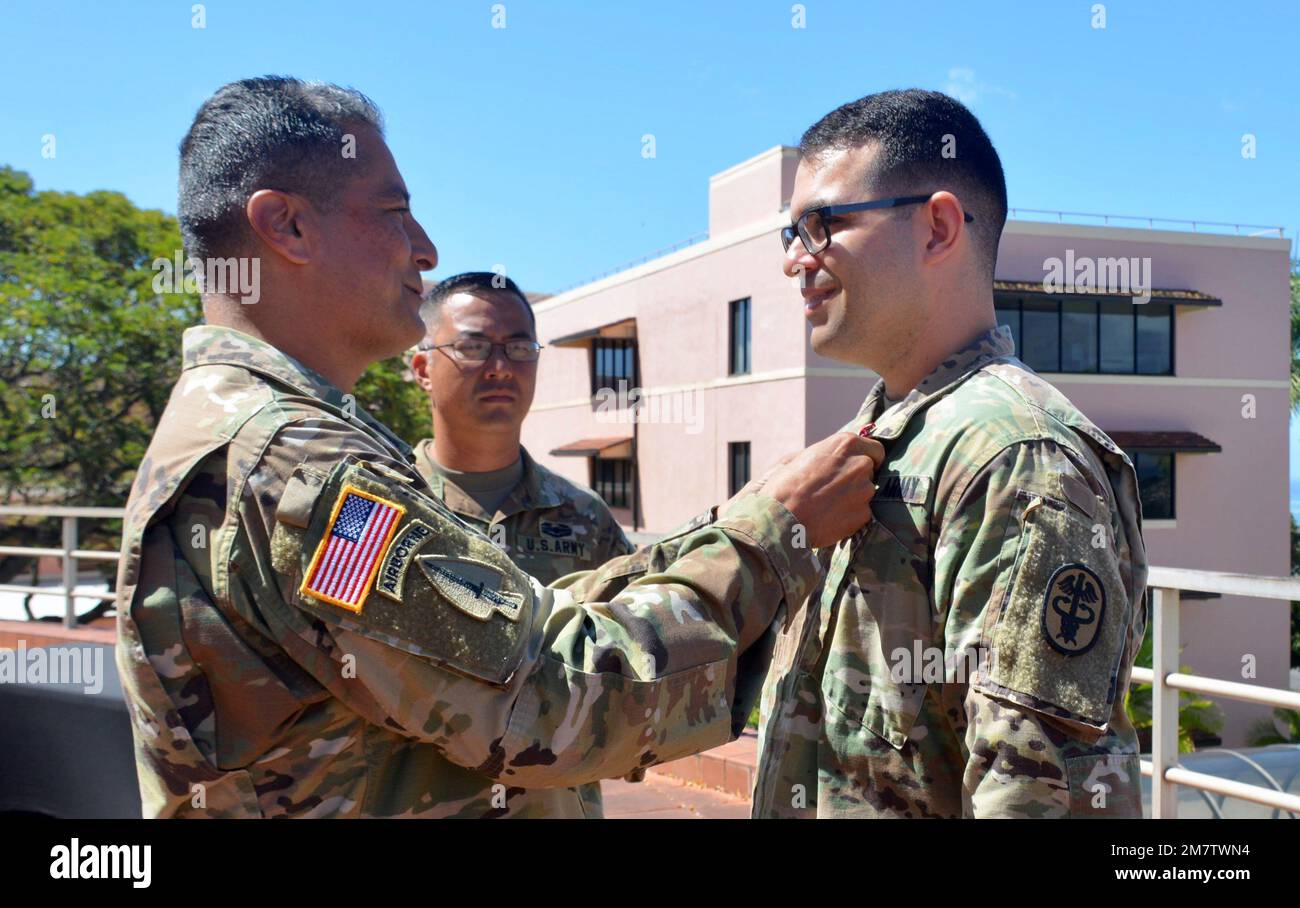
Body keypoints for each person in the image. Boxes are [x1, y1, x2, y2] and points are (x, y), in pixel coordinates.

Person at [113, 76, 884, 818]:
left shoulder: (255, 436)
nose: (424, 247)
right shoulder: (297, 468)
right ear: (286, 226)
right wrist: (771, 532)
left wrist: (730, 529)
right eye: (393, 212)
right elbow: (545, 700)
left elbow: (500, 627)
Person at [751, 89, 1148, 818]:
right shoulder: (881, 441)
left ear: (937, 228)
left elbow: (1035, 792)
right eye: (790, 233)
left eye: (821, 225)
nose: (795, 261)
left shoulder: (1017, 458)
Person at [407, 271, 636, 815]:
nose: (500, 367)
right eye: (473, 346)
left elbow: (633, 663)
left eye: (518, 347)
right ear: (422, 368)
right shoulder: (385, 507)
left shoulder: (585, 519)